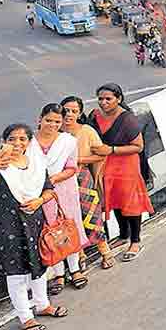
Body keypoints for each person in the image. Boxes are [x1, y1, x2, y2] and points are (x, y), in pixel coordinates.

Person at [0, 123, 69, 330]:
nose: (17, 143)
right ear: (3, 141)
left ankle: (42, 305)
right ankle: (25, 317)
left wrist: (39, 201)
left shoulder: (36, 164)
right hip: (9, 224)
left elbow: (49, 190)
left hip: (34, 220)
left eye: (22, 139)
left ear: (29, 142)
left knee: (39, 265)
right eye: (12, 139)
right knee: (16, 272)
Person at [89, 84, 154, 263]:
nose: (103, 102)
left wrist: (110, 149)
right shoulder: (94, 116)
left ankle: (135, 241)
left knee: (129, 202)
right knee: (114, 199)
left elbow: (138, 146)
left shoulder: (127, 120)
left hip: (126, 166)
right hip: (105, 165)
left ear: (119, 99)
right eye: (100, 98)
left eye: (108, 99)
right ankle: (123, 234)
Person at [30, 103, 89, 295]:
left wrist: (52, 179)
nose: (53, 125)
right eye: (49, 120)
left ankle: (75, 270)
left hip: (63, 189)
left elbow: (72, 168)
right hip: (39, 193)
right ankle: (58, 274)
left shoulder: (68, 141)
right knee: (49, 231)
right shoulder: (29, 143)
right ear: (40, 119)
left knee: (68, 227)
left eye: (57, 121)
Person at [60, 96, 115, 270]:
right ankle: (79, 257)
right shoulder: (54, 129)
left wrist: (78, 160)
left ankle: (105, 251)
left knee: (91, 215)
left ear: (80, 113)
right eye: (65, 110)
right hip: (60, 181)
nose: (69, 114)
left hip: (82, 178)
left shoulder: (86, 131)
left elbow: (101, 154)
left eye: (74, 111)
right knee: (69, 219)